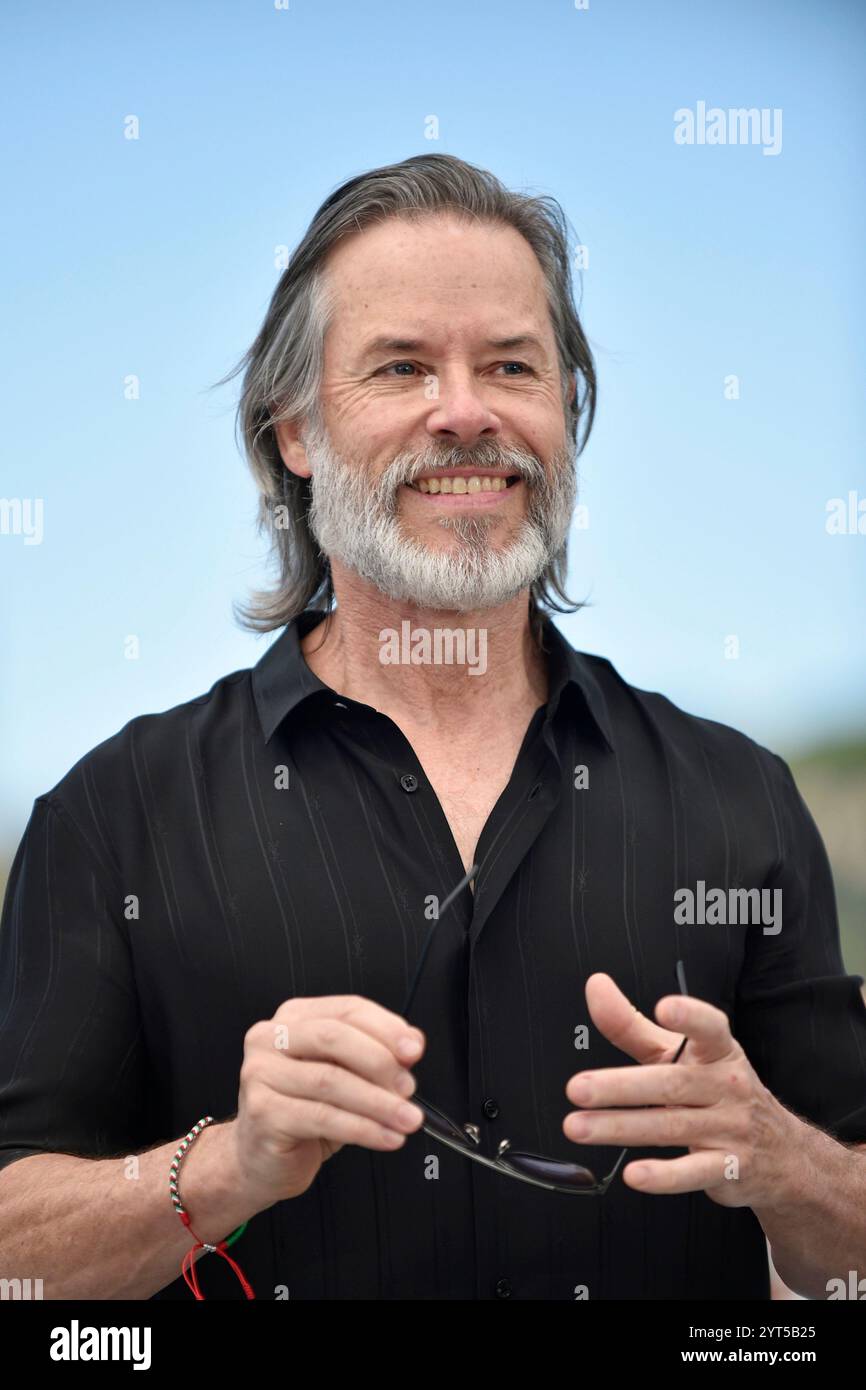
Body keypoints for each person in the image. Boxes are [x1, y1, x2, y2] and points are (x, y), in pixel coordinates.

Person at [2, 153, 865, 1302]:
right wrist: (226, 1166)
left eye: (510, 365)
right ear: (296, 430)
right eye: (401, 366)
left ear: (565, 412)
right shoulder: (115, 816)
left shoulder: (739, 796)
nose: (464, 412)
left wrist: (783, 1160)